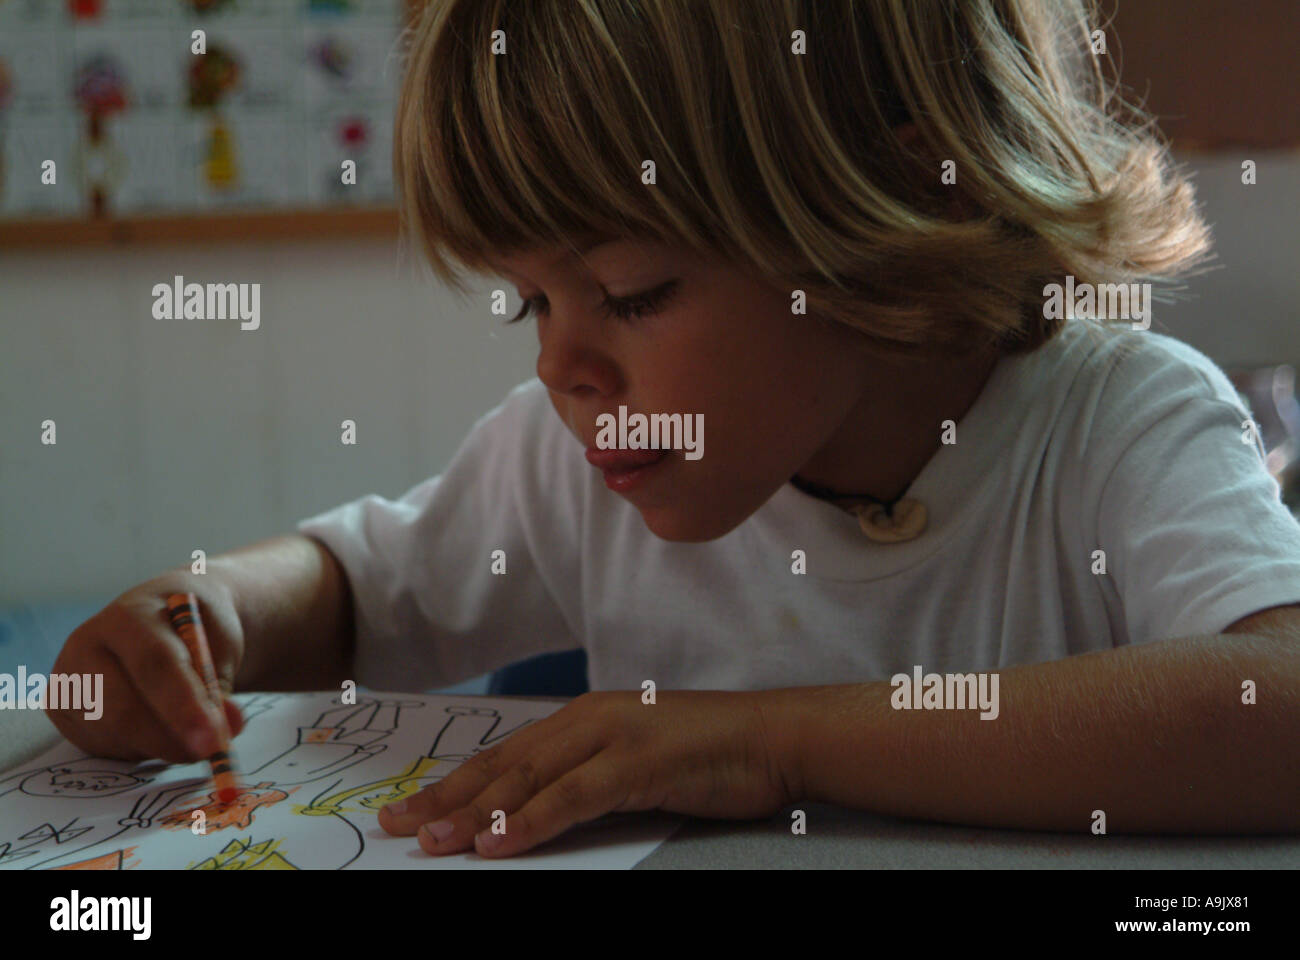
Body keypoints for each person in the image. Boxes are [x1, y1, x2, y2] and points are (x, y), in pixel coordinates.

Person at [50, 0, 1300, 858]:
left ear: (908, 198)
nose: (561, 363)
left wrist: (771, 742)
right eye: (530, 303)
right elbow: (358, 591)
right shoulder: (574, 461)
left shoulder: (1118, 423)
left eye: (633, 294)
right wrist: (207, 613)